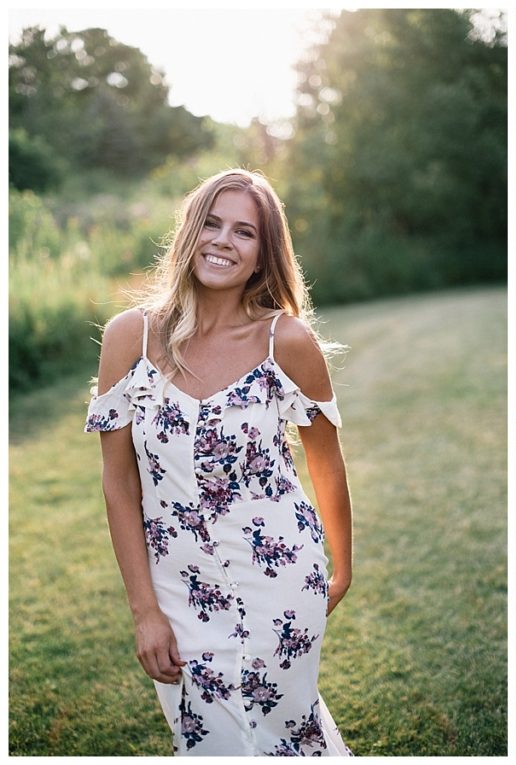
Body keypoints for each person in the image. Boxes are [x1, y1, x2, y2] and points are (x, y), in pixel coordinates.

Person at [85, 169, 354, 756]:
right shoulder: (129, 338)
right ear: (189, 232)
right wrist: (144, 612)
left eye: (244, 232)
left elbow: (326, 464)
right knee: (207, 740)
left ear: (263, 256)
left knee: (289, 732)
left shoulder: (286, 342)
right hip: (177, 590)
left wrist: (342, 566)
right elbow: (117, 483)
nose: (222, 241)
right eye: (211, 223)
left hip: (281, 582)